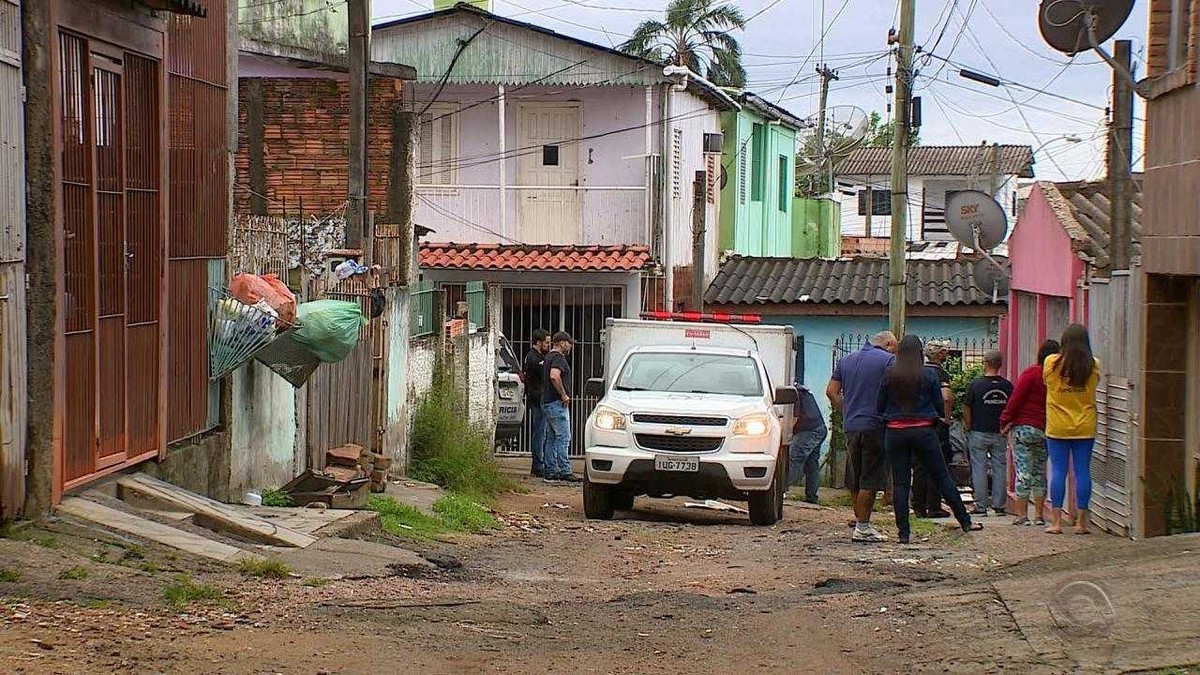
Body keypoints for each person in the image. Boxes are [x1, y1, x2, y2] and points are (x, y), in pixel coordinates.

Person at [877, 335, 981, 544]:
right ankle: (965, 520)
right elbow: (939, 404)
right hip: (924, 431)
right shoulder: (928, 375)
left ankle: (903, 533)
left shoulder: (890, 374)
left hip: (895, 432)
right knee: (942, 476)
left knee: (901, 483)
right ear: (920, 352)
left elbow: (880, 405)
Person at [827, 331, 897, 543]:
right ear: (887, 344)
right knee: (871, 478)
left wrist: (846, 409)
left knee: (855, 477)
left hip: (851, 425)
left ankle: (860, 522)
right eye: (894, 346)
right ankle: (863, 528)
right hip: (875, 424)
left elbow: (831, 391)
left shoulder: (846, 360)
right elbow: (895, 391)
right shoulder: (888, 361)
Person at [1043, 324, 1100, 535]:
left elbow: (1046, 382)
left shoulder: (1051, 363)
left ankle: (1057, 523)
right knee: (1082, 471)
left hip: (1057, 425)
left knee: (1058, 471)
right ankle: (1082, 523)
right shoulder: (1093, 365)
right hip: (1085, 424)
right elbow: (1093, 386)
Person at [1000, 339, 1059, 526]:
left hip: (1024, 428)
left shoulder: (1032, 373)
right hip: (1045, 429)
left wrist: (1005, 420)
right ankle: (1040, 516)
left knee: (1023, 472)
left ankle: (1021, 516)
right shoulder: (1055, 376)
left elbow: (1016, 399)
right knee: (1039, 472)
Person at [963, 351, 1014, 516]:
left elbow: (967, 407)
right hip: (1000, 432)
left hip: (978, 431)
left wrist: (969, 426)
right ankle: (999, 505)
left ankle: (981, 505)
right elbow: (1013, 408)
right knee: (1000, 467)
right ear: (1000, 364)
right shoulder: (1007, 386)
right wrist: (1008, 426)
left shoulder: (975, 385)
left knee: (979, 468)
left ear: (985, 363)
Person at [910, 340, 954, 519]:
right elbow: (946, 397)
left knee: (919, 466)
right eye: (944, 351)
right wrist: (946, 417)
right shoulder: (940, 373)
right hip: (935, 423)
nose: (947, 353)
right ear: (938, 354)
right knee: (937, 465)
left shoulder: (917, 372)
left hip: (916, 423)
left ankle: (918, 506)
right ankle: (934, 506)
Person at [542, 331, 581, 483]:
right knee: (564, 437)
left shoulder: (548, 357)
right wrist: (563, 394)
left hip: (547, 403)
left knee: (551, 437)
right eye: (569, 343)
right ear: (562, 343)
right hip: (556, 403)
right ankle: (565, 469)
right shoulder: (558, 358)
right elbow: (554, 376)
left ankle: (550, 469)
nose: (570, 346)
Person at [787, 383, 828, 504]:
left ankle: (780, 490)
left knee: (794, 458)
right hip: (819, 428)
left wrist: (784, 435)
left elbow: (795, 417)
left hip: (809, 430)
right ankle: (812, 497)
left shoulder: (794, 392)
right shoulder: (801, 389)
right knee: (811, 464)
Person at [522, 329, 552, 478]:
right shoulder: (534, 358)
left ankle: (539, 464)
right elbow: (545, 374)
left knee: (541, 432)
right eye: (546, 342)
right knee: (540, 433)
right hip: (538, 398)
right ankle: (538, 465)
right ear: (539, 342)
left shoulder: (536, 356)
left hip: (536, 397)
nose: (549, 345)